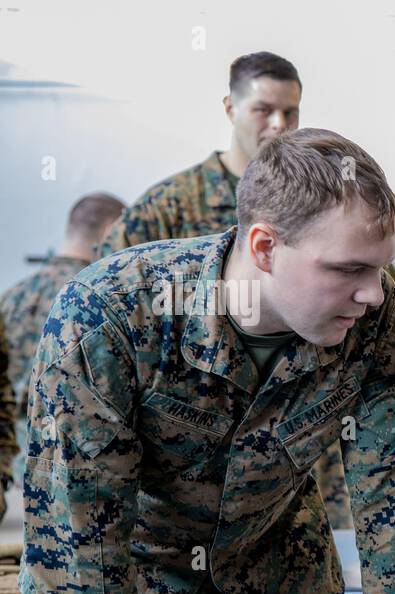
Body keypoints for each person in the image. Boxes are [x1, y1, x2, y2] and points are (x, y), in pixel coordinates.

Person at [22, 128, 395, 594]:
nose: (371, 293)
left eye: (380, 267)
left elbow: (390, 507)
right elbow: (78, 535)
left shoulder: (387, 326)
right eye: (348, 270)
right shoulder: (111, 316)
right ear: (264, 246)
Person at [97, 51, 351, 531]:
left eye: (290, 112)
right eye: (263, 109)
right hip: (183, 473)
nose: (279, 124)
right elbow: (108, 320)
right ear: (230, 109)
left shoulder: (326, 206)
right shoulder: (167, 209)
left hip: (298, 462)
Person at [1, 192, 124, 488]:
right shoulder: (98, 298)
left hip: (16, 468)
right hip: (72, 473)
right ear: (110, 231)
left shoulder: (12, 297)